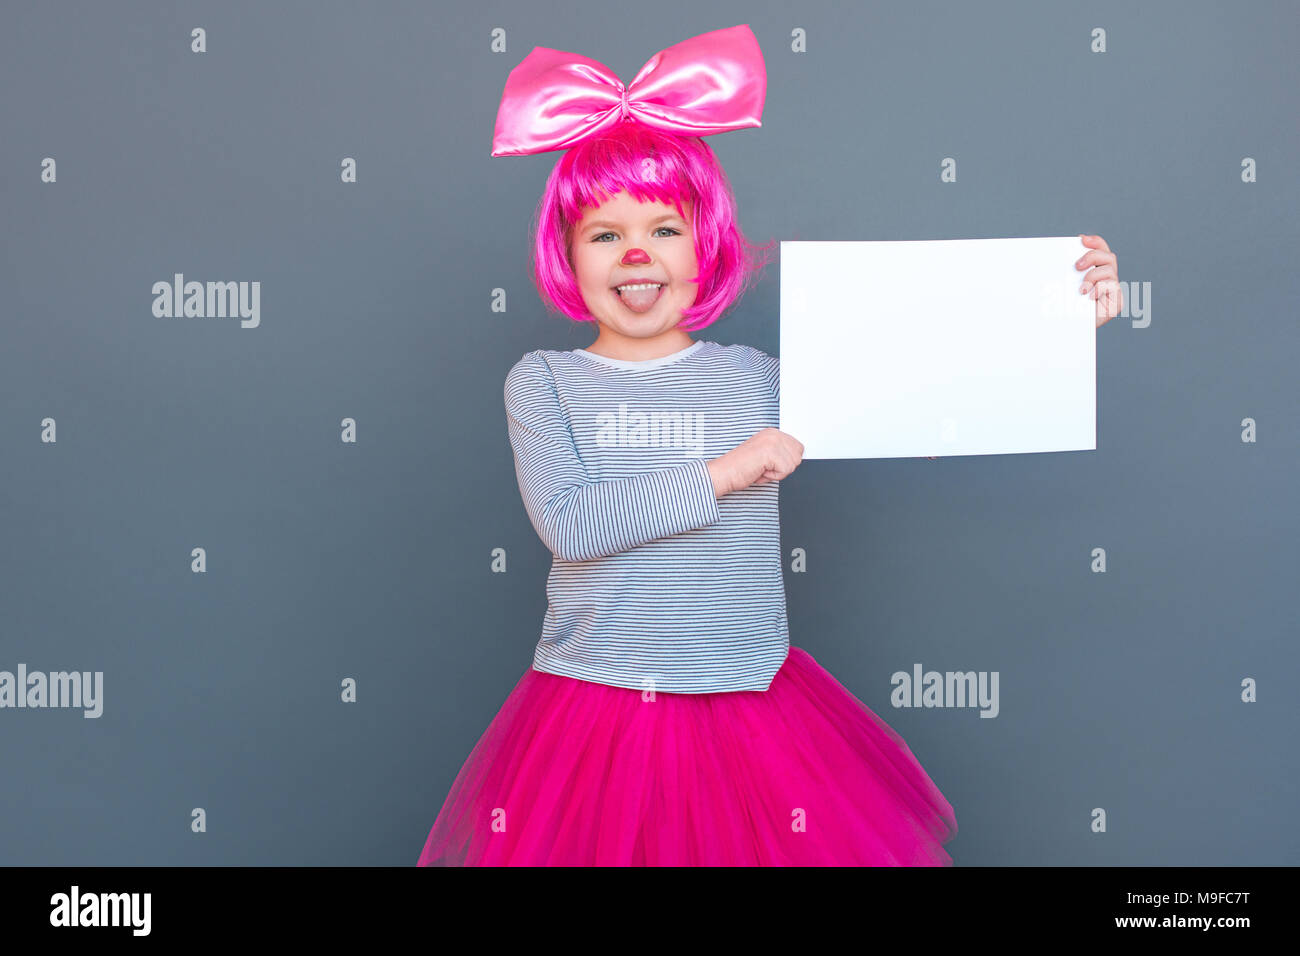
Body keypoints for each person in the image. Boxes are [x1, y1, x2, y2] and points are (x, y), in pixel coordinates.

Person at [417, 24, 1121, 866]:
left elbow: (916, 409)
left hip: (749, 705)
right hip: (598, 708)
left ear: (704, 243)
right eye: (605, 233)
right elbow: (572, 524)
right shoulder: (543, 382)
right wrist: (728, 469)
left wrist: (1056, 319)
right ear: (567, 252)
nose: (636, 252)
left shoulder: (759, 378)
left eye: (664, 229)